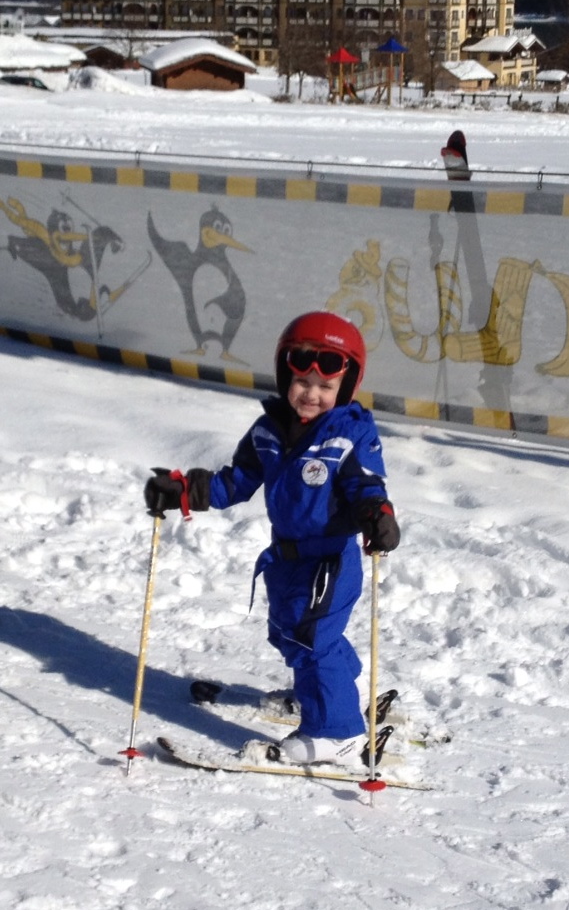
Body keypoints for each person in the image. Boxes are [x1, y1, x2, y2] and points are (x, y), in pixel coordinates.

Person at [144, 311, 400, 767]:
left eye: (325, 386)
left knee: (312, 638)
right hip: (286, 559)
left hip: (329, 560)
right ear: (285, 376)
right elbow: (236, 480)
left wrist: (376, 514)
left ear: (345, 386)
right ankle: (338, 691)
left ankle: (337, 731)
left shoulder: (349, 432)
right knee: (291, 634)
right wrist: (185, 491)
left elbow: (366, 485)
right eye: (302, 381)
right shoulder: (269, 431)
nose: (311, 394)